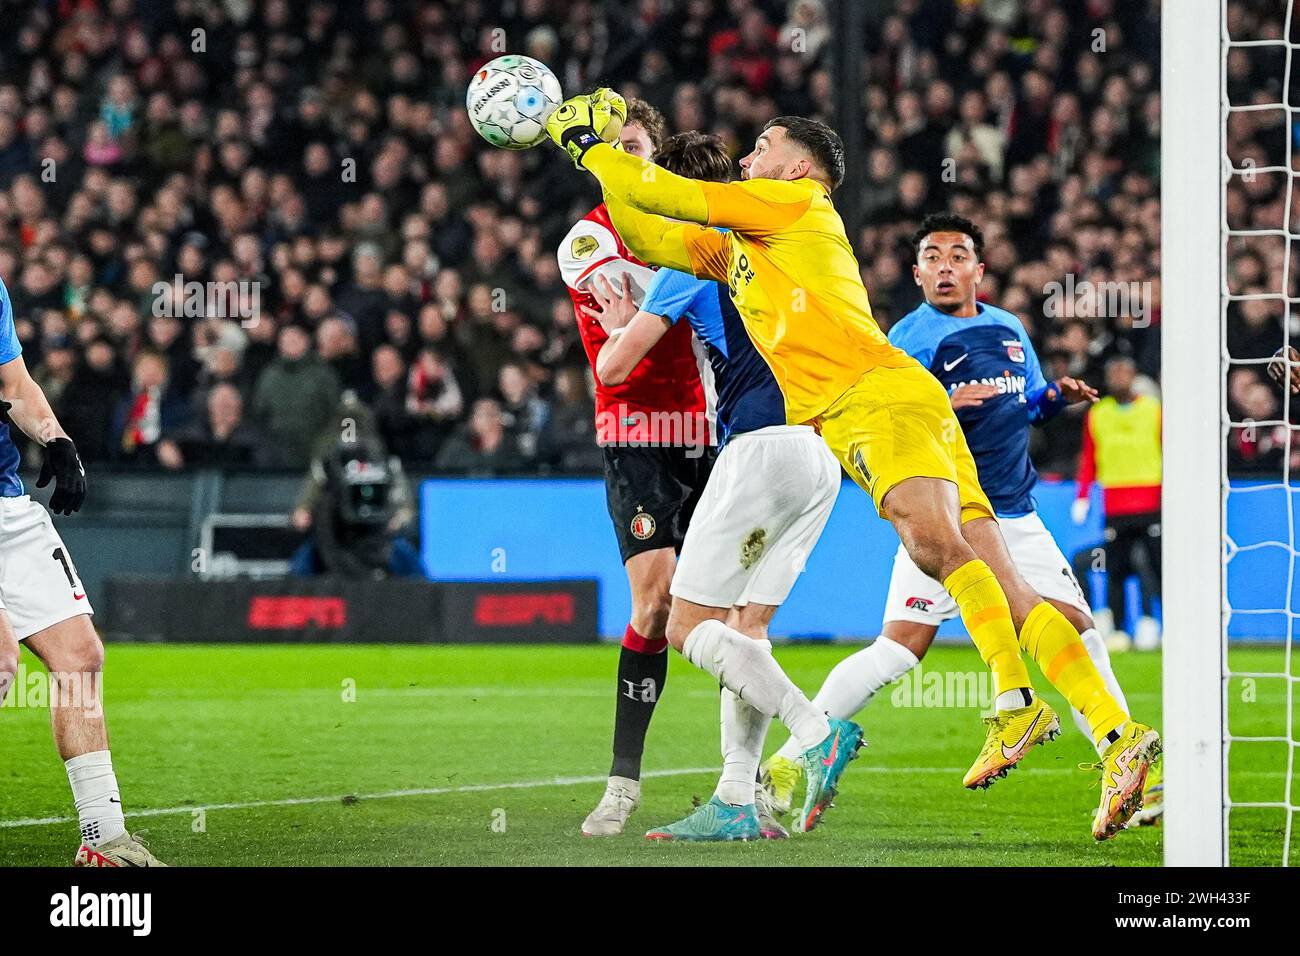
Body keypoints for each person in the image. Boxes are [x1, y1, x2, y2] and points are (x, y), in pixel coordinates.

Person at [547, 90, 1159, 839]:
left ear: (798, 166)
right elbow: (646, 228)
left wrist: (595, 147)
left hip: (869, 403)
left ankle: (995, 709)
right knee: (994, 577)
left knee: (926, 552)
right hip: (891, 408)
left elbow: (658, 190)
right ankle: (1111, 734)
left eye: (762, 146)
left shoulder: (792, 203)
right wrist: (595, 160)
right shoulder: (737, 248)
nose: (747, 157)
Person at [760, 214, 1162, 829]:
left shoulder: (1008, 329)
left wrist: (1052, 399)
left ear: (980, 268)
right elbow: (889, 413)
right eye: (933, 257)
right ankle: (791, 758)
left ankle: (1127, 767)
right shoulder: (908, 338)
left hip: (1014, 510)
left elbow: (1020, 405)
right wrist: (942, 401)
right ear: (917, 273)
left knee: (1079, 627)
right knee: (898, 650)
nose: (945, 266)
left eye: (957, 255)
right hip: (945, 513)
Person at [586, 131, 854, 839]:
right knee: (747, 629)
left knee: (686, 623)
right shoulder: (808, 240)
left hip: (759, 449)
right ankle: (736, 798)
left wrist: (618, 326)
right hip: (821, 456)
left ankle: (814, 729)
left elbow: (616, 368)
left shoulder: (705, 247)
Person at [554, 100, 717, 837]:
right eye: (614, 148)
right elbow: (627, 336)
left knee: (727, 609)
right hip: (638, 433)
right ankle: (622, 785)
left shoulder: (686, 222)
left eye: (638, 147)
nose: (627, 158)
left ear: (656, 154)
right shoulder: (588, 242)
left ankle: (741, 784)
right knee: (654, 606)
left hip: (715, 429)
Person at [0, 274, 164, 865]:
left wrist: (57, 438)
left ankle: (104, 842)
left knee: (80, 657)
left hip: (8, 503)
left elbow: (13, 383)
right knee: (1, 661)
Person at [1073, 355, 1163, 652]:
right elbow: (1089, 457)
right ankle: (1122, 627)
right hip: (1116, 504)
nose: (1119, 378)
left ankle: (1157, 623)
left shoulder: (1153, 410)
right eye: (1114, 373)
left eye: (1124, 372)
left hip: (1151, 500)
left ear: (1135, 376)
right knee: (1117, 567)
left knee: (1155, 565)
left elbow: (1167, 449)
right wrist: (1083, 495)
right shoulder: (1099, 414)